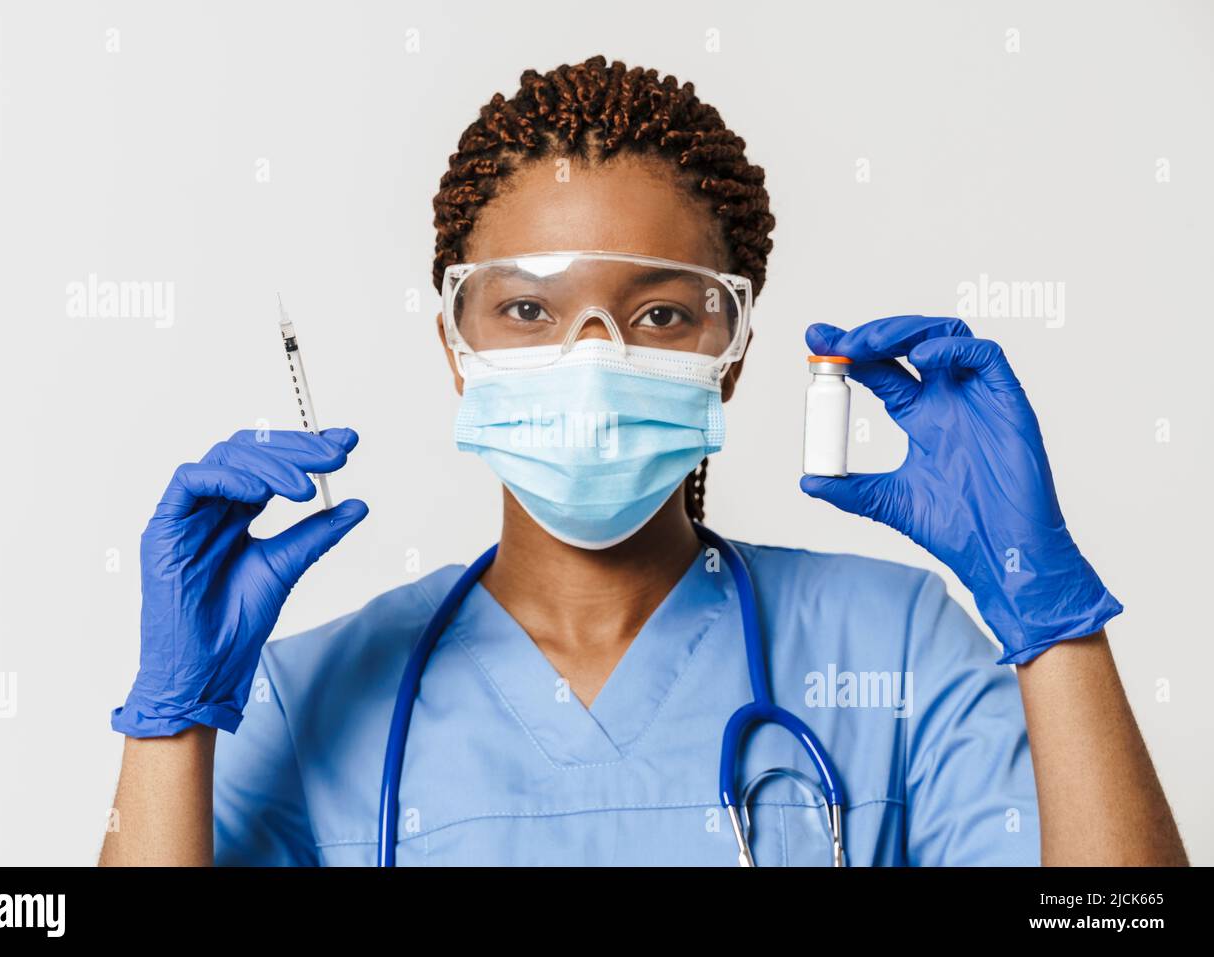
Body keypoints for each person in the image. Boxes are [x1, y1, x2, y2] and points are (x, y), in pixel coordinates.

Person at [99, 56, 1186, 867]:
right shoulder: (311, 695)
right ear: (456, 344)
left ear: (734, 353)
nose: (590, 360)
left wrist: (1051, 620)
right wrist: (172, 723)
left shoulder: (897, 648)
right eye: (528, 308)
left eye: (659, 313)